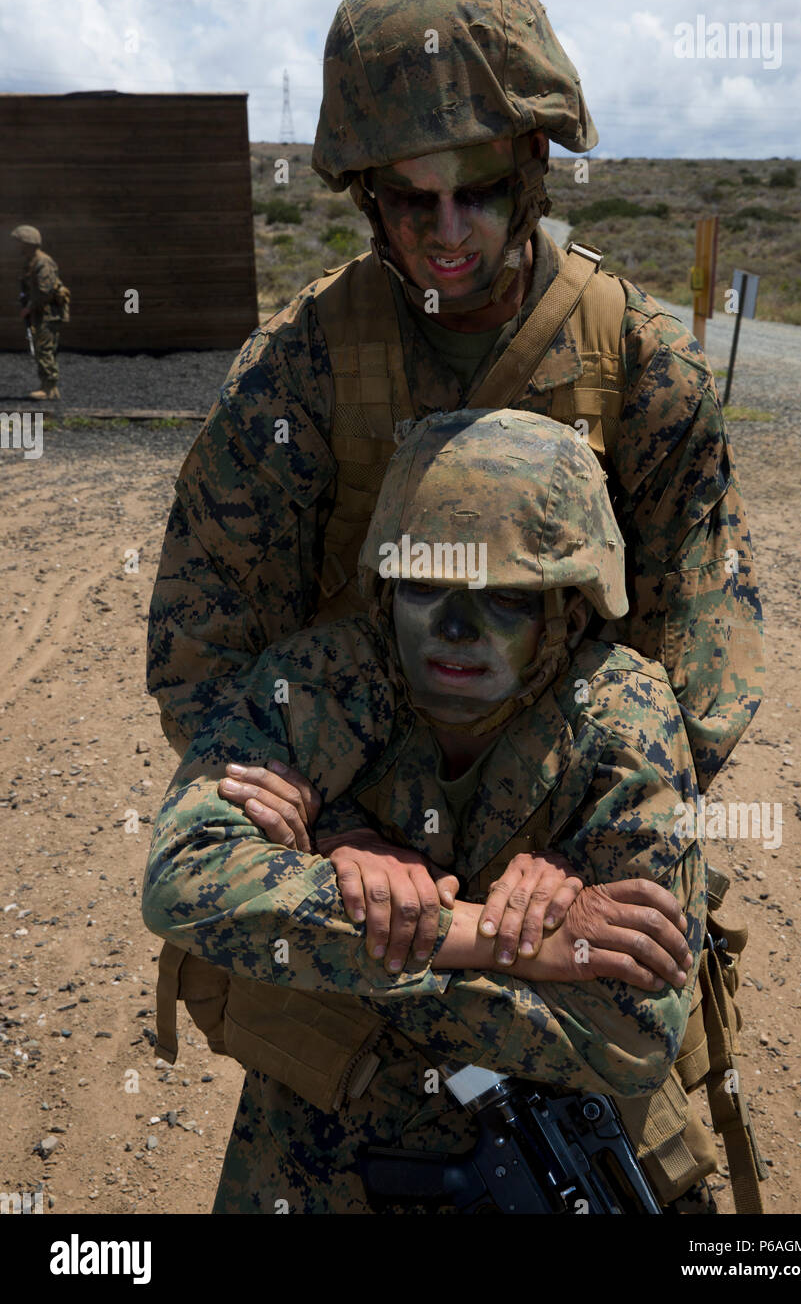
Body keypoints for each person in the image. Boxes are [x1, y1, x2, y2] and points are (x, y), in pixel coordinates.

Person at [147, 0, 763, 799]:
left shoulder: (640, 361)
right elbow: (204, 649)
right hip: (348, 806)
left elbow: (703, 658)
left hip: (564, 805)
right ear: (366, 194)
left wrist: (604, 826)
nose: (448, 235)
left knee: (646, 932)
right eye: (410, 200)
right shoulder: (299, 368)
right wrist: (320, 822)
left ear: (535, 163)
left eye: (480, 192)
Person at [142, 409, 719, 1214]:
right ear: (385, 590)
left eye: (504, 600)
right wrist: (499, 939)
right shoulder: (321, 679)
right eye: (424, 587)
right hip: (324, 1118)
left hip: (540, 1150)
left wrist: (320, 937)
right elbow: (182, 883)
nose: (454, 629)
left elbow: (628, 1037)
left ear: (569, 609)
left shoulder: (622, 715)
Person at [11, 224, 66, 400]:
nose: (18, 246)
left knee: (44, 349)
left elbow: (45, 291)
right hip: (39, 312)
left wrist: (29, 307)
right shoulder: (31, 261)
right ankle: (48, 387)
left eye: (20, 242)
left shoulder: (43, 262)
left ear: (28, 243)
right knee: (44, 349)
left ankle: (49, 388)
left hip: (47, 312)